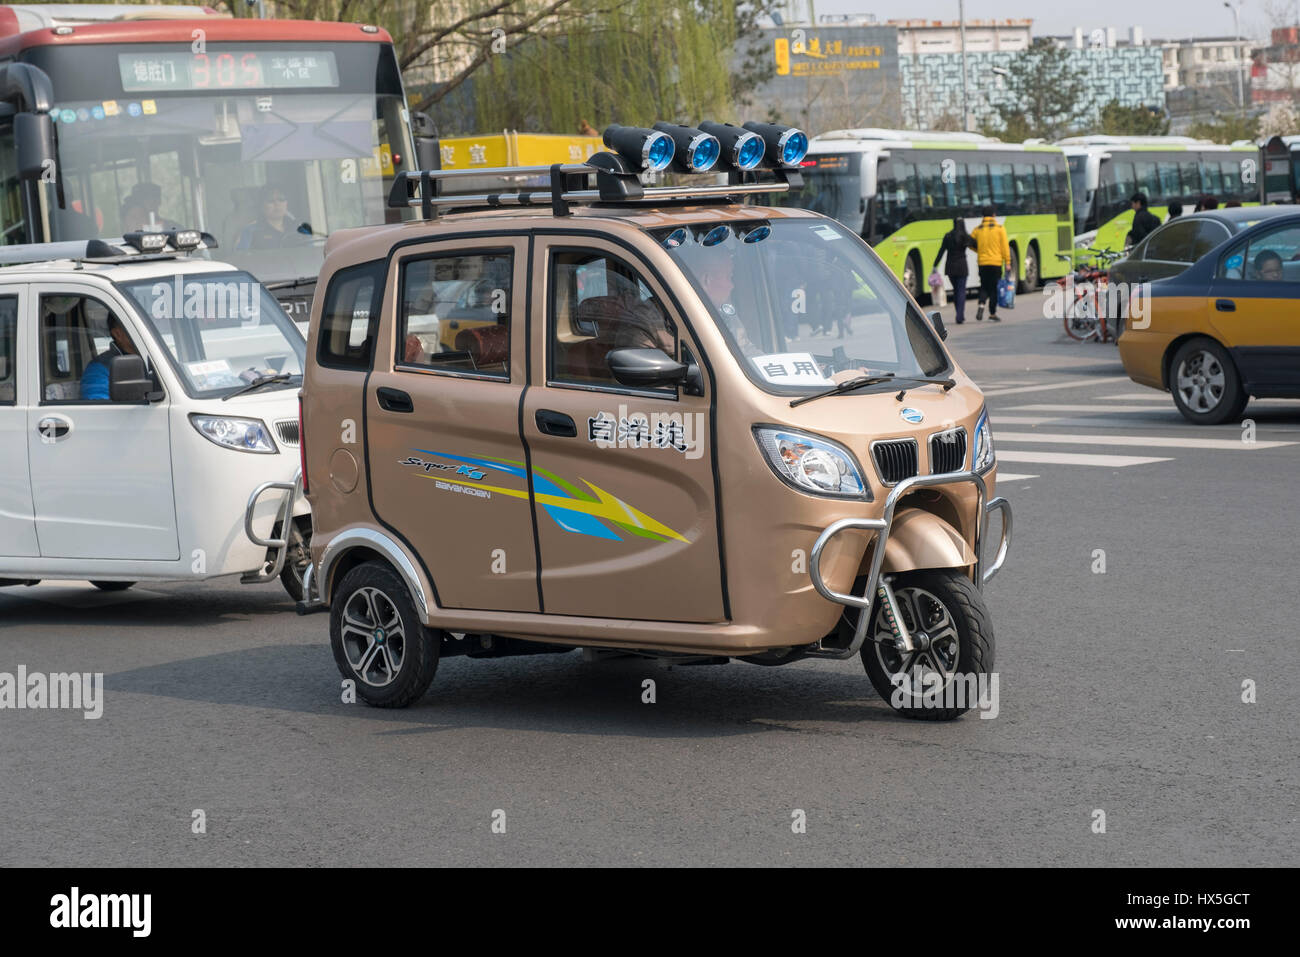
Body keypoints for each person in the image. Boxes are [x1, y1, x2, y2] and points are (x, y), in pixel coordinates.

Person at [80, 316, 138, 401]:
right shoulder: (98, 368)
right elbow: (99, 407)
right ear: (117, 333)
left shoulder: (150, 359)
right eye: (134, 327)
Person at [236, 185, 310, 250]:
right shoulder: (250, 231)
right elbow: (241, 258)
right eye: (270, 200)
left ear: (287, 203)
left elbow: (310, 253)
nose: (277, 203)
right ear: (261, 206)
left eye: (281, 199)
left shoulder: (299, 228)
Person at [933, 217, 976, 324]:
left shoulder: (948, 236)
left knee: (956, 291)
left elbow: (941, 251)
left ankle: (959, 313)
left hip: (950, 267)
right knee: (961, 290)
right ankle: (960, 316)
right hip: (962, 266)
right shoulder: (965, 237)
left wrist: (935, 265)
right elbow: (977, 245)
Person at [971, 205, 1010, 322]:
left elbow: (970, 243)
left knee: (984, 285)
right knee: (993, 288)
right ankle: (992, 313)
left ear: (983, 215)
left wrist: (979, 250)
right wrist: (1008, 262)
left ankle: (981, 304)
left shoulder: (977, 230)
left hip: (982, 263)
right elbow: (1004, 247)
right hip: (996, 263)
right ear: (994, 215)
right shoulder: (999, 229)